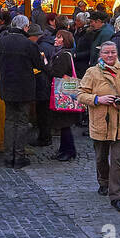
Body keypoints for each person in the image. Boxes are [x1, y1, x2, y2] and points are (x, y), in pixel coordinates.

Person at [77, 40, 120, 212]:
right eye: (106, 53)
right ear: (100, 55)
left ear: (117, 53)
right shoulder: (92, 72)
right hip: (100, 122)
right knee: (101, 157)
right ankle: (103, 182)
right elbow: (81, 94)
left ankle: (116, 196)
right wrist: (98, 99)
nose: (110, 55)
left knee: (118, 161)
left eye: (113, 52)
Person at [0, 14, 42, 167]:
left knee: (9, 120)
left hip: (7, 87)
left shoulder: (1, 41)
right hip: (24, 88)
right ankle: (19, 156)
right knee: (21, 121)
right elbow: (39, 65)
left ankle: (8, 156)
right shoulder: (29, 44)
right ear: (25, 27)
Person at [46, 28, 80, 161]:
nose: (55, 39)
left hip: (64, 92)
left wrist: (46, 64)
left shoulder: (63, 55)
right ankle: (64, 149)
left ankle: (69, 151)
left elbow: (56, 73)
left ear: (65, 41)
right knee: (64, 124)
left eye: (59, 37)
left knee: (64, 124)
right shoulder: (62, 54)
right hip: (64, 90)